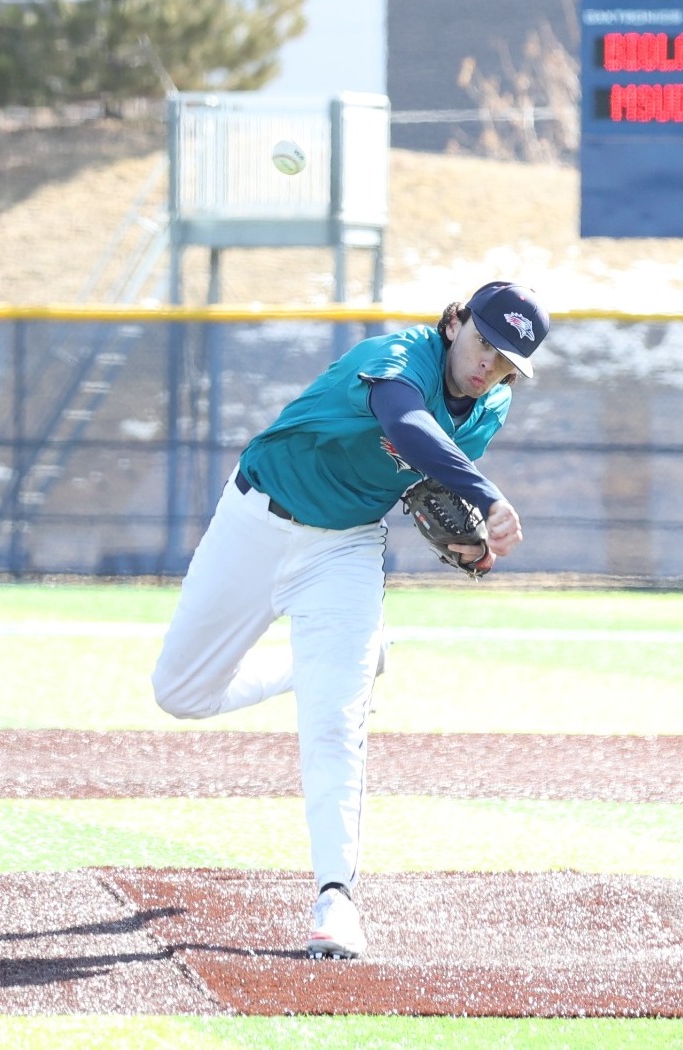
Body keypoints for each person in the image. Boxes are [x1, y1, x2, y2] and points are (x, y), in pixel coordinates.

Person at [150, 281, 550, 959]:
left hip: (344, 549)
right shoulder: (399, 354)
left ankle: (334, 899)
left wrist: (473, 542)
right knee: (180, 694)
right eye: (484, 340)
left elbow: (424, 485)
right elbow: (403, 424)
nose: (490, 364)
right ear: (455, 323)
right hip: (255, 520)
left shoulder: (491, 408)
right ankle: (329, 663)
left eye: (507, 358)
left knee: (334, 723)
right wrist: (484, 492)